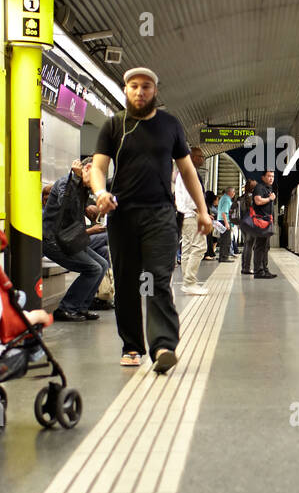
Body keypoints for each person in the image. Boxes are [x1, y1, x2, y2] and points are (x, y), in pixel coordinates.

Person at [89, 67, 212, 374]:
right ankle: (131, 346)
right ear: (125, 89)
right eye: (134, 86)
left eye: (146, 86)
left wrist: (203, 211)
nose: (140, 91)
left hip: (160, 213)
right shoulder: (114, 125)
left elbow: (187, 171)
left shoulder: (170, 125)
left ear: (155, 91)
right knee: (127, 281)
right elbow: (98, 167)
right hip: (122, 214)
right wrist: (100, 191)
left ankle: (163, 346)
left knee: (158, 278)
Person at [42, 158, 107, 321]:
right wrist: (76, 180)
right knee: (93, 269)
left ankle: (80, 307)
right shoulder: (66, 182)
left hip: (69, 239)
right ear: (88, 168)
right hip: (54, 240)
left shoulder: (82, 187)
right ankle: (66, 308)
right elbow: (67, 208)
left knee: (103, 264)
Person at [173, 145, 209, 296]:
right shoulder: (189, 173)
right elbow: (190, 200)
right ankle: (190, 282)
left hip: (184, 216)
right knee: (200, 247)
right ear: (193, 157)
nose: (202, 160)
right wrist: (202, 213)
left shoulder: (182, 173)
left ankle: (187, 283)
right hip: (191, 215)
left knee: (187, 249)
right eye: (201, 157)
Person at [246, 170, 278, 279]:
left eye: (272, 176)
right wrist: (270, 198)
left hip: (266, 222)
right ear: (263, 177)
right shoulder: (259, 187)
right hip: (261, 222)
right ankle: (258, 271)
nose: (271, 178)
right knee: (260, 246)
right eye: (269, 176)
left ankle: (264, 269)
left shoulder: (268, 188)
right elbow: (258, 201)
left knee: (265, 246)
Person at [239, 178, 258, 274]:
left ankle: (244, 267)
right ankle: (246, 268)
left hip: (243, 224)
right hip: (251, 224)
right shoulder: (253, 198)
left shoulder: (242, 197)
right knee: (249, 246)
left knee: (246, 245)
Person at [215, 187, 236, 261]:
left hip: (220, 220)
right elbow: (224, 212)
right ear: (230, 192)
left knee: (223, 240)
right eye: (233, 192)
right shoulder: (227, 200)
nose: (234, 194)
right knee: (226, 240)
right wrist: (227, 223)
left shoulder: (223, 198)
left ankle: (222, 256)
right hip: (224, 221)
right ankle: (224, 257)